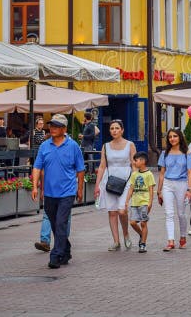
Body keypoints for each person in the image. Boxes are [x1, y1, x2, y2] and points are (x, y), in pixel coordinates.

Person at [31, 114, 84, 269]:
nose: (52, 128)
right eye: (51, 125)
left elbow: (80, 169)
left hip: (67, 192)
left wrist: (79, 189)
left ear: (64, 129)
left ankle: (56, 255)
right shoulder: (44, 146)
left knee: (61, 223)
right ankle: (66, 250)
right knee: (55, 224)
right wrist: (35, 186)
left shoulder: (73, 146)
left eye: (56, 126)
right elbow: (37, 167)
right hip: (49, 193)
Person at [94, 119, 135, 251]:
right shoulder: (105, 146)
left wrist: (135, 182)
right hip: (110, 181)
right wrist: (97, 185)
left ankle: (126, 233)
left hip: (126, 180)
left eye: (117, 128)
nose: (114, 131)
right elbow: (102, 166)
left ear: (122, 130)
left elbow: (134, 165)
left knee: (122, 211)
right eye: (112, 128)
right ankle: (116, 242)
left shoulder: (130, 145)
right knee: (112, 212)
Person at [158, 128, 191, 251]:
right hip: (168, 184)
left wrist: (189, 190)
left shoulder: (187, 153)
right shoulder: (164, 153)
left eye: (175, 136)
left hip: (182, 184)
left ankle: (183, 236)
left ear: (180, 138)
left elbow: (190, 172)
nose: (172, 139)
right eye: (170, 137)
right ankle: (170, 241)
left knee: (181, 214)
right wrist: (159, 191)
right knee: (169, 213)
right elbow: (162, 173)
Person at [124, 151, 156, 253]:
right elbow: (131, 188)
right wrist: (127, 200)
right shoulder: (134, 174)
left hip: (144, 202)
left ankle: (143, 244)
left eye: (136, 160)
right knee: (133, 222)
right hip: (134, 203)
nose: (134, 162)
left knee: (143, 223)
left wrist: (150, 202)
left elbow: (151, 189)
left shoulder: (149, 174)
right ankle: (142, 235)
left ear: (143, 161)